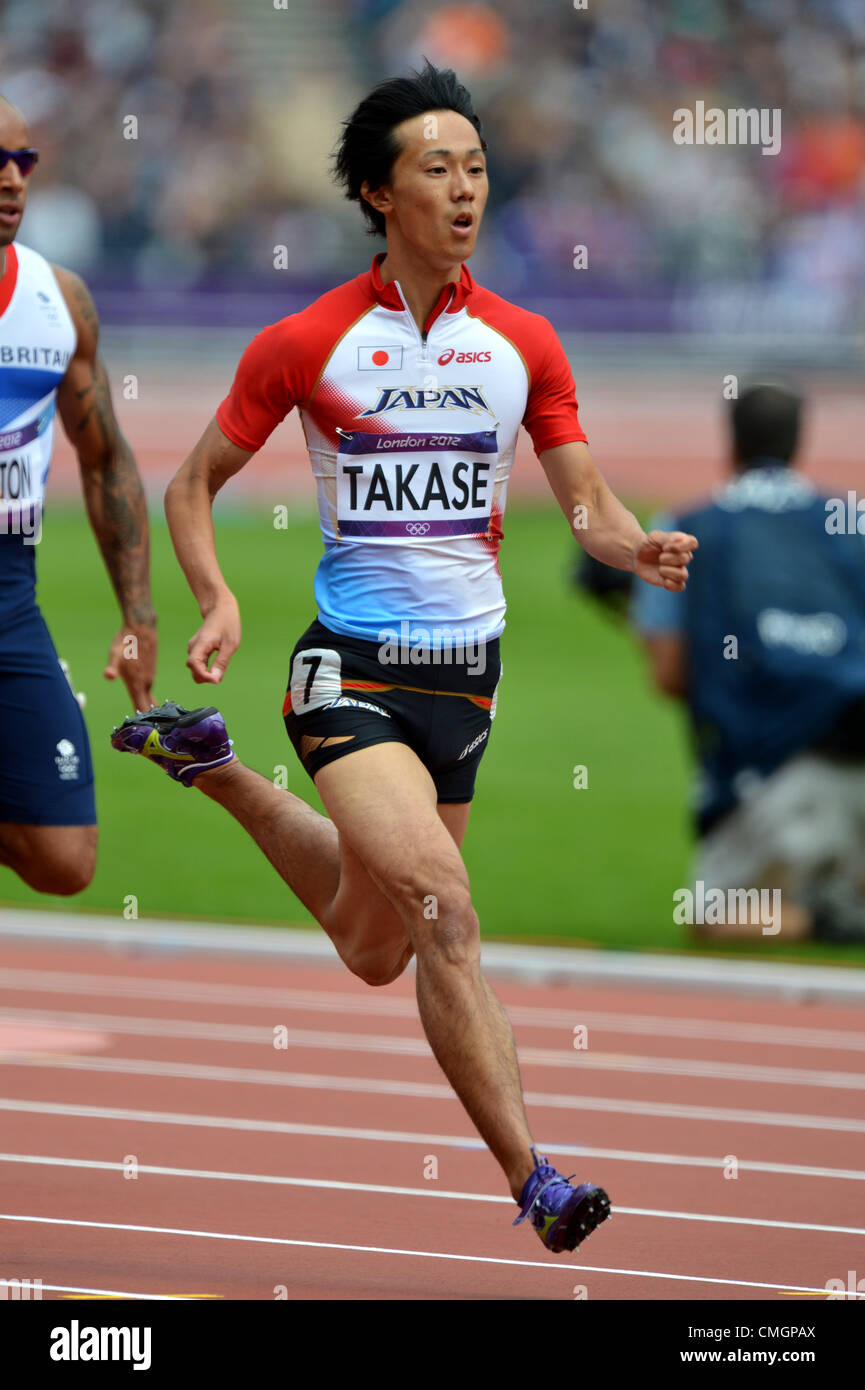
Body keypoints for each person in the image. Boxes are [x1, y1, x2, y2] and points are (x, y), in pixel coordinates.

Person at [112, 62, 696, 1251]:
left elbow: (583, 506)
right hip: (349, 675)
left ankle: (214, 770)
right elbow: (189, 485)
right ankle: (534, 1176)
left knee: (378, 945)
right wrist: (216, 598)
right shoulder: (310, 339)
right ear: (382, 194)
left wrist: (638, 547)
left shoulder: (523, 344)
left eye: (477, 167)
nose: (466, 189)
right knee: (447, 915)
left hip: (465, 686)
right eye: (438, 169)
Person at [633, 381, 865, 942]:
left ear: (730, 443)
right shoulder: (854, 520)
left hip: (764, 772)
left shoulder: (688, 528)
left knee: (712, 918)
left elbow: (671, 675)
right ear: (798, 442)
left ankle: (826, 920)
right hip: (859, 756)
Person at [0, 95, 156, 897]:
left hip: (9, 592)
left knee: (66, 860)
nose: (11, 180)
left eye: (23, 162)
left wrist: (139, 614)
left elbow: (106, 460)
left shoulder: (59, 300)